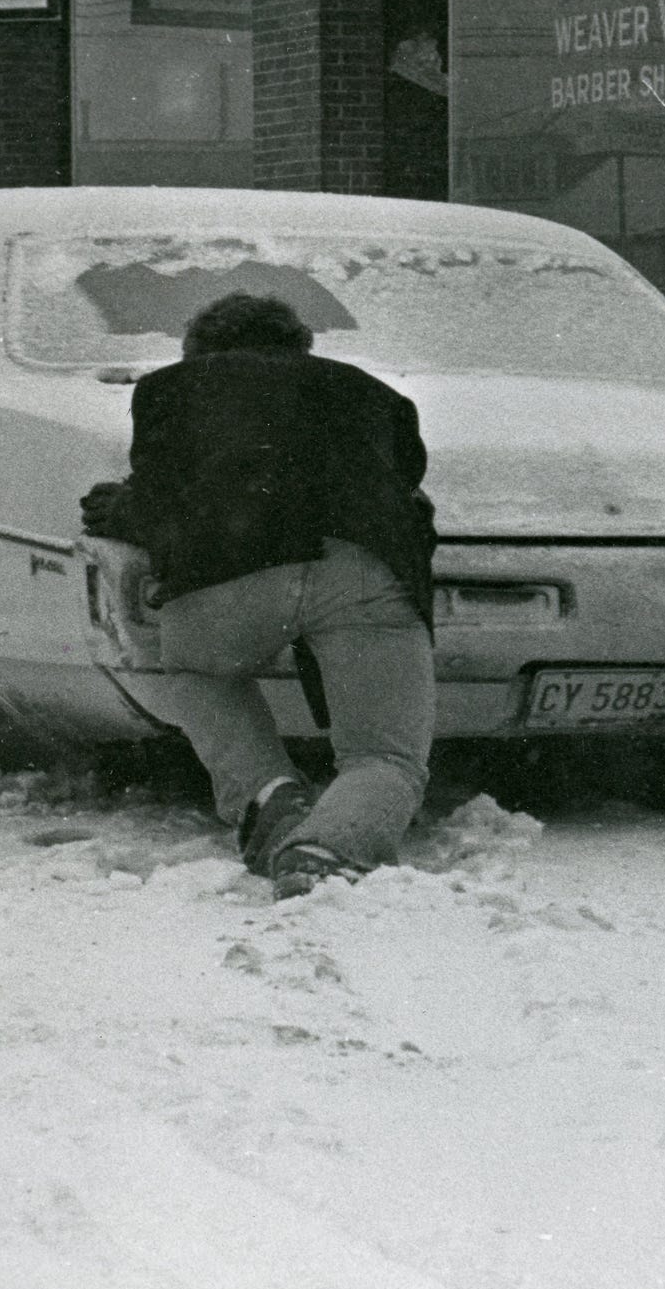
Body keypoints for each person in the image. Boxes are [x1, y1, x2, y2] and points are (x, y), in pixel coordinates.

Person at [81, 291, 437, 897]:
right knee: (385, 756)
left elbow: (162, 500)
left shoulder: (170, 389)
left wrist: (120, 509)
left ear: (197, 351)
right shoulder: (374, 393)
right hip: (365, 569)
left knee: (199, 672)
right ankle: (327, 849)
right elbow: (405, 483)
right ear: (301, 346)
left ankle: (268, 796)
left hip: (230, 569)